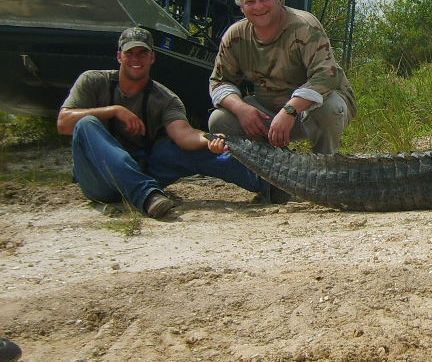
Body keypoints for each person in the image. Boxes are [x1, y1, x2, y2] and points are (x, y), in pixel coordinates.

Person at [58, 26, 284, 219]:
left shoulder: (164, 98)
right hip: (99, 179)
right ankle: (146, 196)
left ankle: (273, 185)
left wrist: (211, 140)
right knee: (87, 123)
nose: (136, 59)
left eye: (142, 53)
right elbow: (64, 123)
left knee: (194, 149)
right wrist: (115, 111)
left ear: (152, 57)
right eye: (130, 53)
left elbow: (184, 135)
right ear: (119, 57)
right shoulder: (92, 81)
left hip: (144, 168)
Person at [208, 0, 355, 154]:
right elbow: (219, 82)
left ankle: (327, 161)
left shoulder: (304, 25)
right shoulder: (235, 35)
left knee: (329, 108)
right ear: (241, 6)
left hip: (309, 112)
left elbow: (326, 75)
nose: (259, 7)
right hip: (268, 112)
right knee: (219, 120)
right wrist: (241, 108)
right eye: (250, 2)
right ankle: (271, 164)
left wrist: (290, 110)